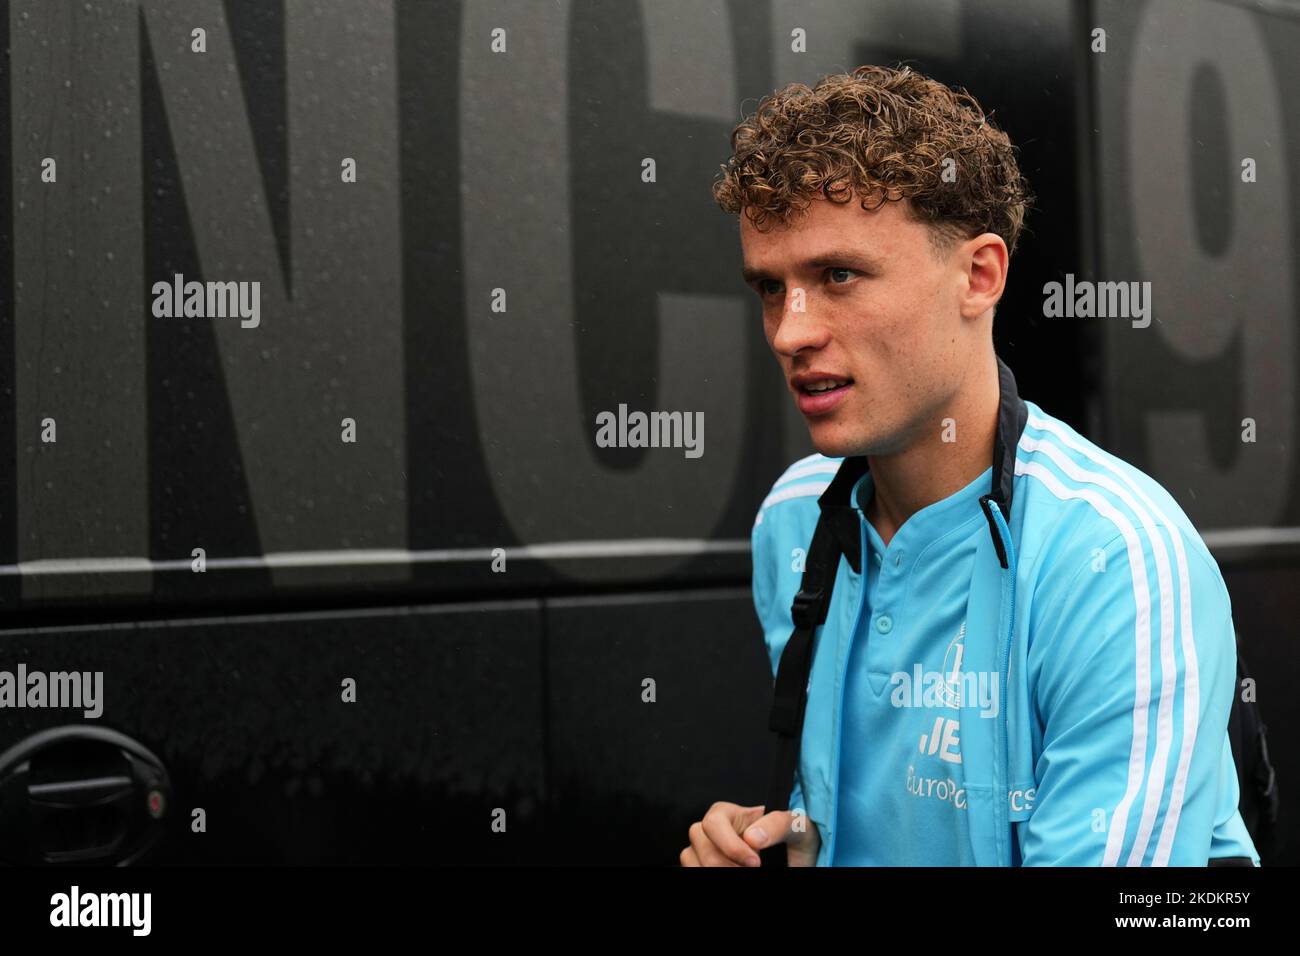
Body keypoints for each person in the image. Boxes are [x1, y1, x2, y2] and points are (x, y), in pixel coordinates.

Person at [680, 65, 1260, 866]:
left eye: (838, 275)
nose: (789, 333)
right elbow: (855, 816)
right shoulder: (792, 517)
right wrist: (785, 844)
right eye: (771, 288)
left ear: (979, 276)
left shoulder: (1118, 559)